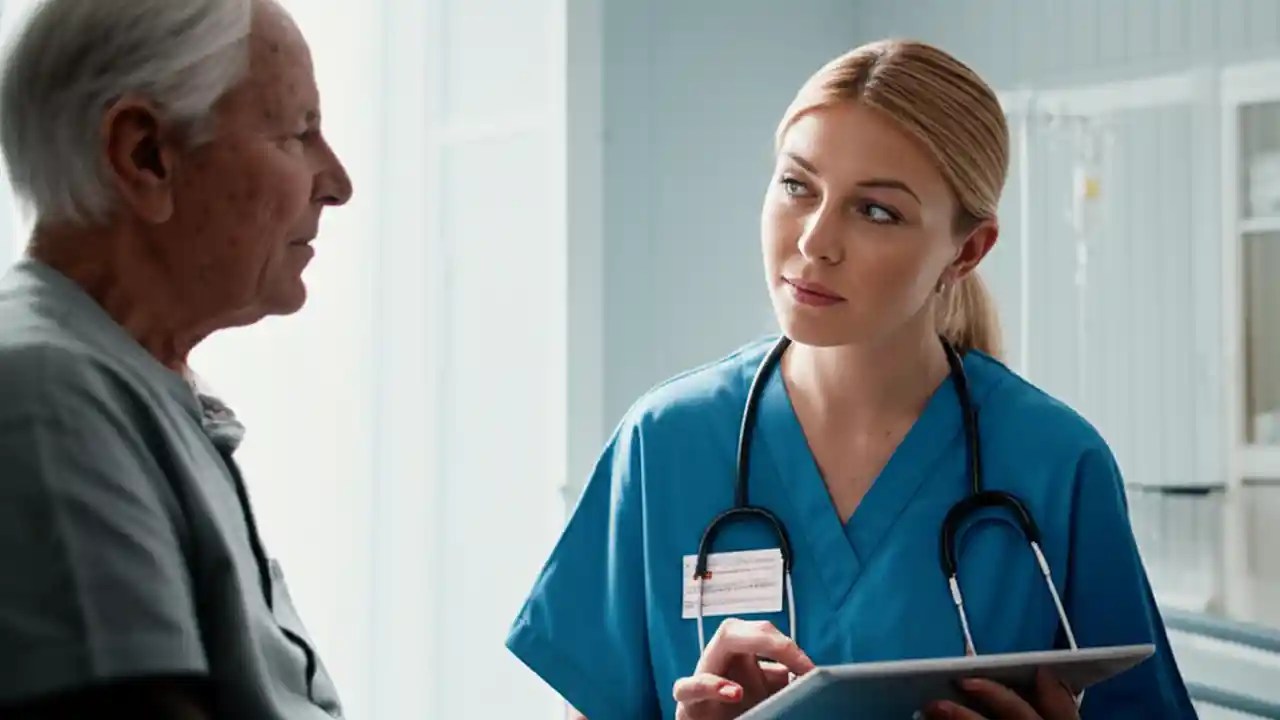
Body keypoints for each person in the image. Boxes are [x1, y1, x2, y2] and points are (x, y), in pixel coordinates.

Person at [506, 38, 1196, 719]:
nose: (814, 241)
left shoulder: (1057, 464)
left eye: (875, 211)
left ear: (966, 251)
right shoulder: (663, 446)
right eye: (797, 186)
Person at [0, 0, 352, 717]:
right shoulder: (52, 394)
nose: (338, 182)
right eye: (299, 133)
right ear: (146, 156)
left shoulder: (133, 384)